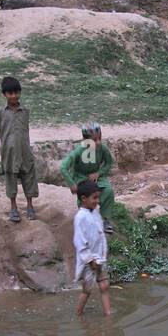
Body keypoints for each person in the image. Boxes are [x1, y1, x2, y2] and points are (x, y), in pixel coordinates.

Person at [0, 75, 38, 222]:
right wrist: (6, 146)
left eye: (16, 92)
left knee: (29, 177)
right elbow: (0, 132)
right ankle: (13, 208)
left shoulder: (25, 111)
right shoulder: (1, 112)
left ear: (19, 92)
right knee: (11, 179)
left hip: (25, 151)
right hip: (9, 152)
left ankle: (30, 206)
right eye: (10, 93)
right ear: (4, 94)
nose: (13, 96)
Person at [59, 122, 115, 231]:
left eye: (100, 138)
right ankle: (86, 217)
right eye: (94, 140)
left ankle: (105, 219)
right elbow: (63, 167)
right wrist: (71, 183)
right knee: (85, 194)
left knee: (108, 190)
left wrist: (98, 173)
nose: (98, 142)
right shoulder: (79, 151)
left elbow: (109, 163)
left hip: (96, 176)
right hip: (81, 177)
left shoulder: (102, 148)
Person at [73, 179, 111, 317]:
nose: (97, 201)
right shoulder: (80, 218)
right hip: (89, 260)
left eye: (98, 197)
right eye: (94, 198)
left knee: (104, 285)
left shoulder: (95, 212)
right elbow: (80, 242)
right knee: (87, 290)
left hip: (100, 258)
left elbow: (100, 234)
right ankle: (78, 313)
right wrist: (90, 260)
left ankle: (108, 314)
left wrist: (103, 253)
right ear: (83, 199)